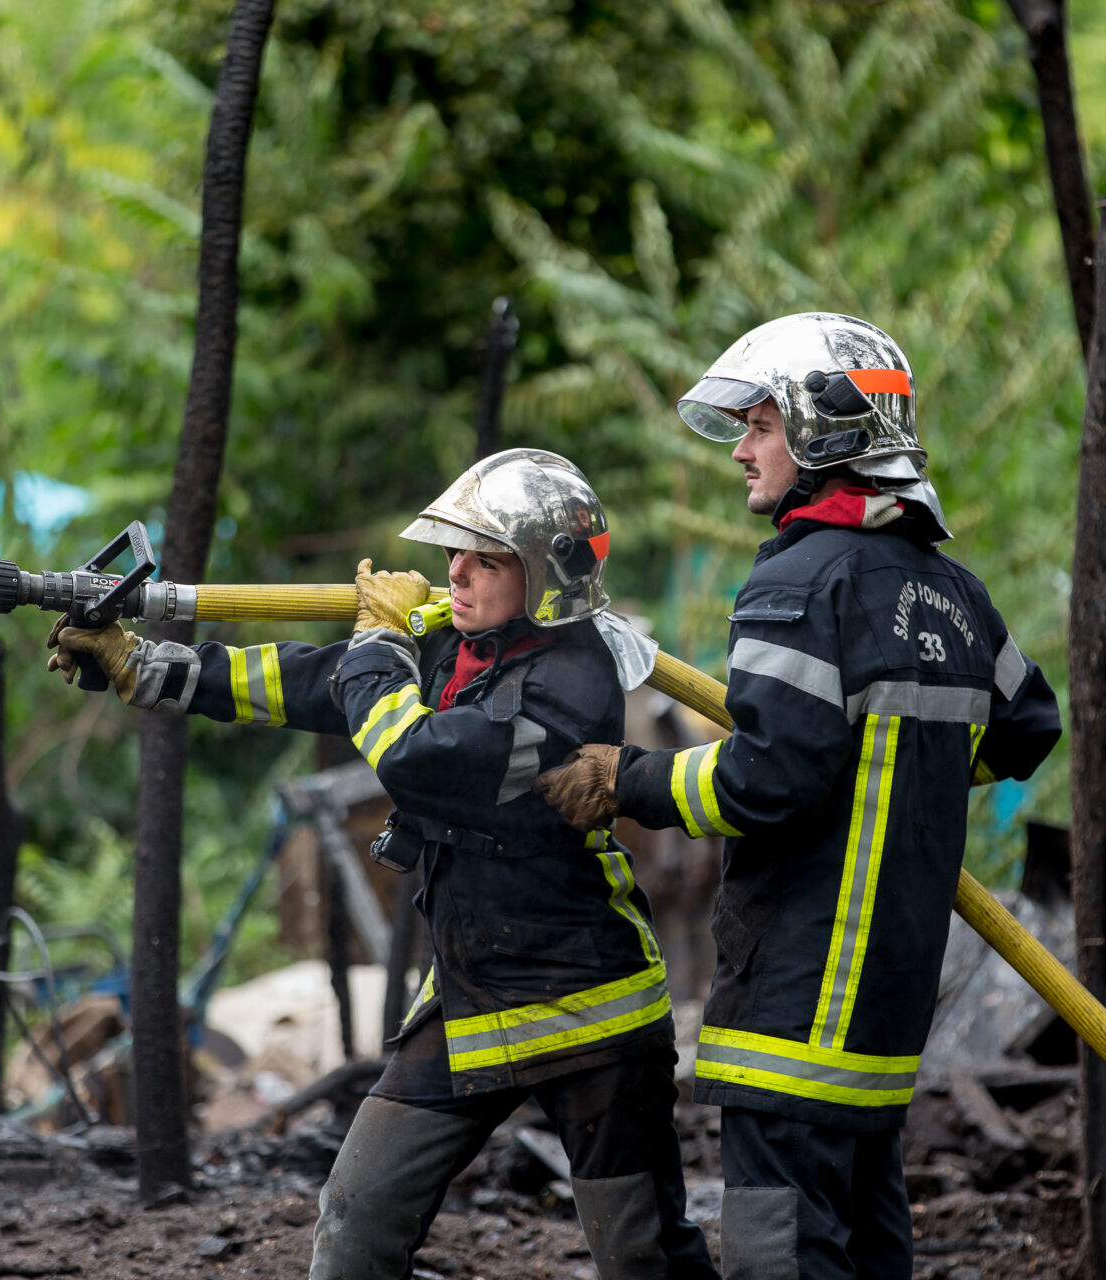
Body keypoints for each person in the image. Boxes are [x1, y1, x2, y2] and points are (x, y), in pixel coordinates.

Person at [47, 448, 716, 1280]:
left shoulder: (573, 686)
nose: (456, 573)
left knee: (644, 1256)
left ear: (546, 575)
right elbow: (316, 682)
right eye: (452, 554)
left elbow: (414, 754)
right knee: (355, 1224)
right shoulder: (462, 644)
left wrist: (380, 635)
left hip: (592, 1011)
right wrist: (148, 667)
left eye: (486, 558)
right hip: (471, 1000)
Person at [535, 314, 1062, 1280]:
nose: (741, 449)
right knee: (870, 1247)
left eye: (761, 425)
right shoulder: (954, 594)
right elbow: (1029, 724)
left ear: (826, 430)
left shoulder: (796, 582)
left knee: (786, 1258)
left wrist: (626, 780)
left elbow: (767, 777)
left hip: (797, 1001)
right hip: (888, 1020)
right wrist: (905, 786)